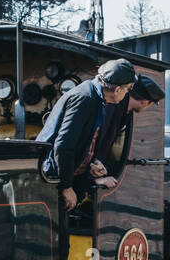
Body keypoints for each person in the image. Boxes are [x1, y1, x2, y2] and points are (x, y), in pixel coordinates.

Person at [38, 58, 135, 211]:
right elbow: (64, 145)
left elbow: (82, 142)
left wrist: (91, 164)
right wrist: (66, 186)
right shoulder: (86, 99)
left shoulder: (96, 98)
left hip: (59, 177)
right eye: (127, 89)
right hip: (52, 178)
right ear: (117, 90)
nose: (127, 93)